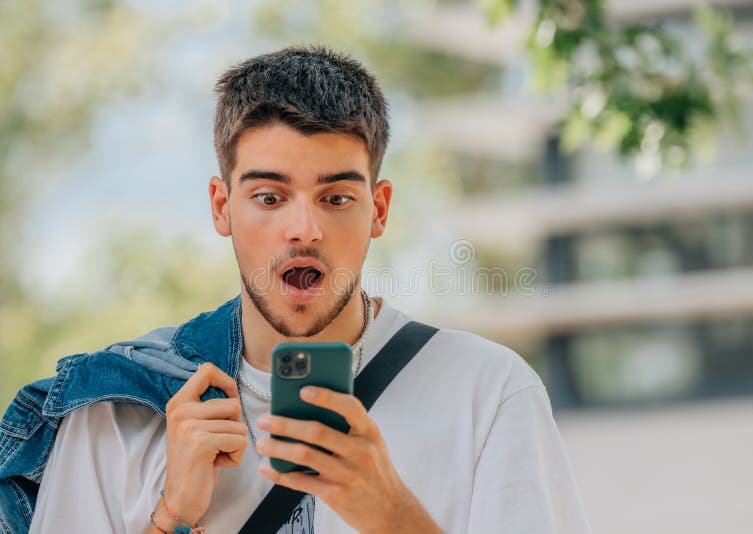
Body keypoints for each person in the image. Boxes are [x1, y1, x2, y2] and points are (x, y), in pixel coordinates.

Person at [0, 45, 591, 533]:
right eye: (268, 197)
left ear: (378, 209)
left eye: (336, 198)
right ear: (221, 205)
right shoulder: (114, 415)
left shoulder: (490, 394)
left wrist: (392, 516)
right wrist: (170, 516)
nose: (303, 228)